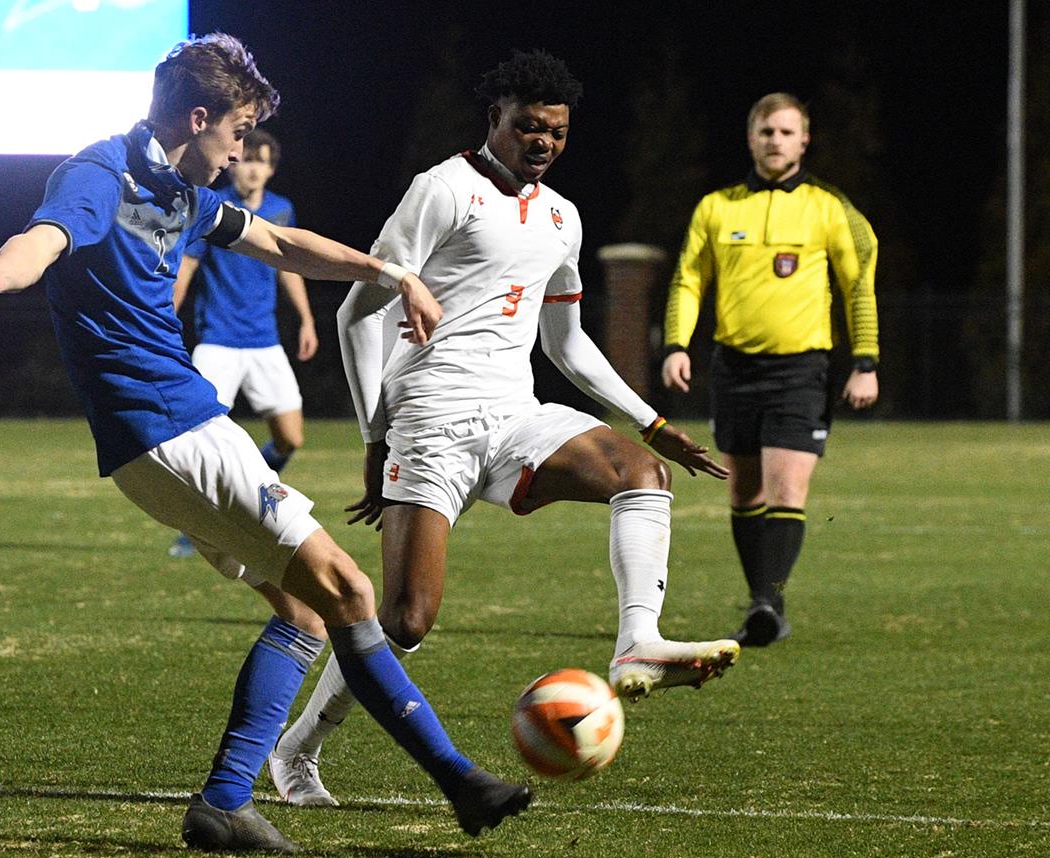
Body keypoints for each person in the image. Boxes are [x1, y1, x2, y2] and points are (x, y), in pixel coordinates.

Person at [0, 33, 529, 854]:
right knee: (347, 587)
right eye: (237, 130)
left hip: (163, 438)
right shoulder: (99, 174)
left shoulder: (181, 192)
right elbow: (47, 236)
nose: (240, 150)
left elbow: (282, 244)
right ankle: (458, 780)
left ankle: (225, 802)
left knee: (303, 611)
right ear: (199, 117)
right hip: (173, 430)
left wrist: (393, 273)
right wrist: (4, 271)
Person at [269, 49, 737, 808]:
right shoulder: (443, 189)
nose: (543, 142)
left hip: (516, 413)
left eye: (555, 131)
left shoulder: (562, 216)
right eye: (527, 128)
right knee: (407, 619)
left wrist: (649, 423)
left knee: (638, 474)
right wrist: (375, 434)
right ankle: (298, 749)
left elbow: (567, 343)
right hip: (429, 416)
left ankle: (637, 640)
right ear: (495, 121)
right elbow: (359, 310)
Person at [660, 92, 880, 647]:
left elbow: (859, 285)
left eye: (786, 132)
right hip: (734, 369)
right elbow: (689, 279)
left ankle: (766, 601)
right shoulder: (717, 207)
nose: (775, 141)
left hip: (802, 370)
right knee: (743, 494)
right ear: (751, 137)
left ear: (804, 140)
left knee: (788, 489)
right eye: (766, 132)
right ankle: (765, 602)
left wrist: (866, 362)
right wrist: (676, 345)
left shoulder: (830, 207)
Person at [167, 129, 314, 558]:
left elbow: (289, 266)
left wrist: (306, 319)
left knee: (290, 438)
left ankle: (248, 503)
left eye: (262, 161)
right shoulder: (215, 207)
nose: (252, 167)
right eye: (247, 158)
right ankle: (197, 529)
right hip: (218, 342)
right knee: (204, 444)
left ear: (271, 168)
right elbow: (187, 268)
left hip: (265, 343)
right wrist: (165, 319)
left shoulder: (281, 210)